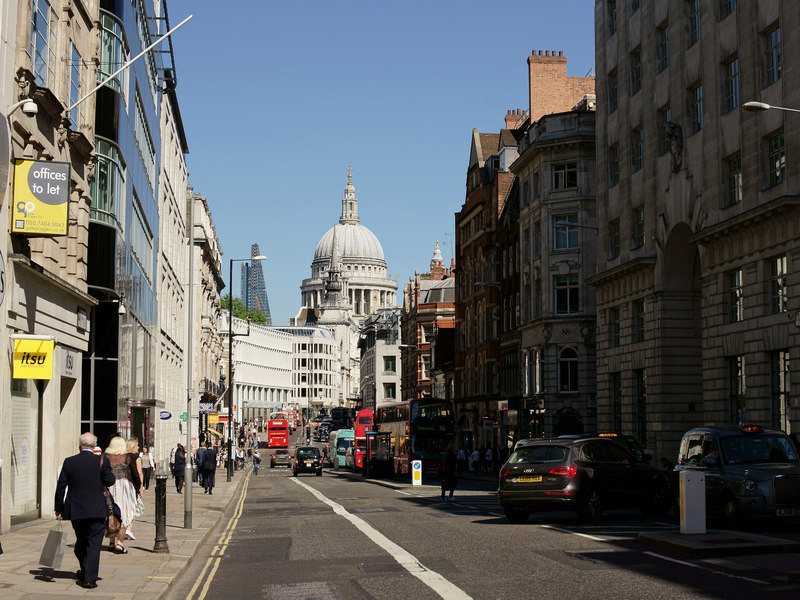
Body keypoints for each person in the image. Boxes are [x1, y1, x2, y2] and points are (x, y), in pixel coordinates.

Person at [54, 432, 115, 589]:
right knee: (94, 544)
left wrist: (58, 508)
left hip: (77, 511)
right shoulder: (101, 461)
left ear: (79, 445)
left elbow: (61, 487)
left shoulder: (70, 462)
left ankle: (85, 570)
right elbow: (110, 481)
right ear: (94, 446)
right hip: (97, 509)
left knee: (81, 542)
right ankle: (89, 577)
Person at [104, 436, 143, 554]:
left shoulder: (105, 458)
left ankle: (111, 542)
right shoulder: (127, 458)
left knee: (111, 514)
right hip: (125, 488)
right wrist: (139, 487)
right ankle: (119, 544)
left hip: (110, 487)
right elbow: (135, 474)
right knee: (124, 514)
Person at [124, 438, 144, 541]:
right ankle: (129, 529)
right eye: (137, 445)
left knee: (126, 508)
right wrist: (141, 486)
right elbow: (139, 473)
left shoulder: (123, 457)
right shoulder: (136, 458)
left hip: (124, 485)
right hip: (133, 485)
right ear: (132, 447)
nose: (138, 447)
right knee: (136, 508)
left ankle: (124, 529)